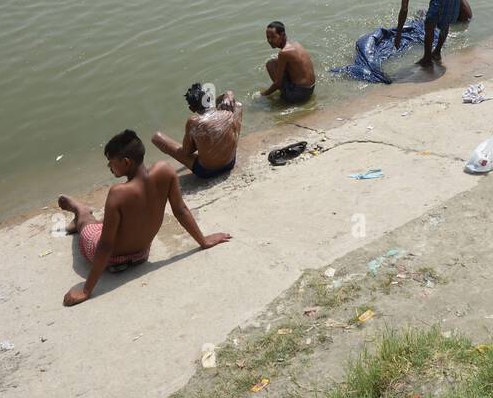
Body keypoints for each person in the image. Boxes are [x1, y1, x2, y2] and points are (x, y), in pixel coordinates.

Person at [57, 130, 231, 306]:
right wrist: (203, 241)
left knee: (87, 224)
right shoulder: (166, 171)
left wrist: (86, 290)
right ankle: (93, 218)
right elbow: (181, 210)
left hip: (112, 259)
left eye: (111, 163)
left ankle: (79, 209)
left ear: (126, 162)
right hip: (141, 254)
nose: (109, 167)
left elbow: (105, 245)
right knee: (106, 222)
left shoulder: (118, 193)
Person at [151, 85, 243, 179]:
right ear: (209, 98)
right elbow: (218, 105)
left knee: (157, 138)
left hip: (206, 172)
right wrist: (227, 94)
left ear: (191, 109)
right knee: (236, 108)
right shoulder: (232, 110)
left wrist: (201, 142)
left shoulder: (193, 122)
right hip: (230, 163)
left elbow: (187, 151)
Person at [391, 0, 468, 68]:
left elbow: (404, 9)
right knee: (445, 24)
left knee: (429, 24)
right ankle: (436, 53)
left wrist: (398, 34)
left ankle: (427, 59)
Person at [262, 21, 316, 103]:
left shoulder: (284, 53)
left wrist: (263, 95)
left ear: (282, 35)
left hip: (299, 96)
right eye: (267, 37)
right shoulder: (296, 44)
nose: (270, 40)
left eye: (273, 37)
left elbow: (278, 83)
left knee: (270, 64)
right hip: (310, 90)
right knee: (276, 61)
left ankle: (285, 99)